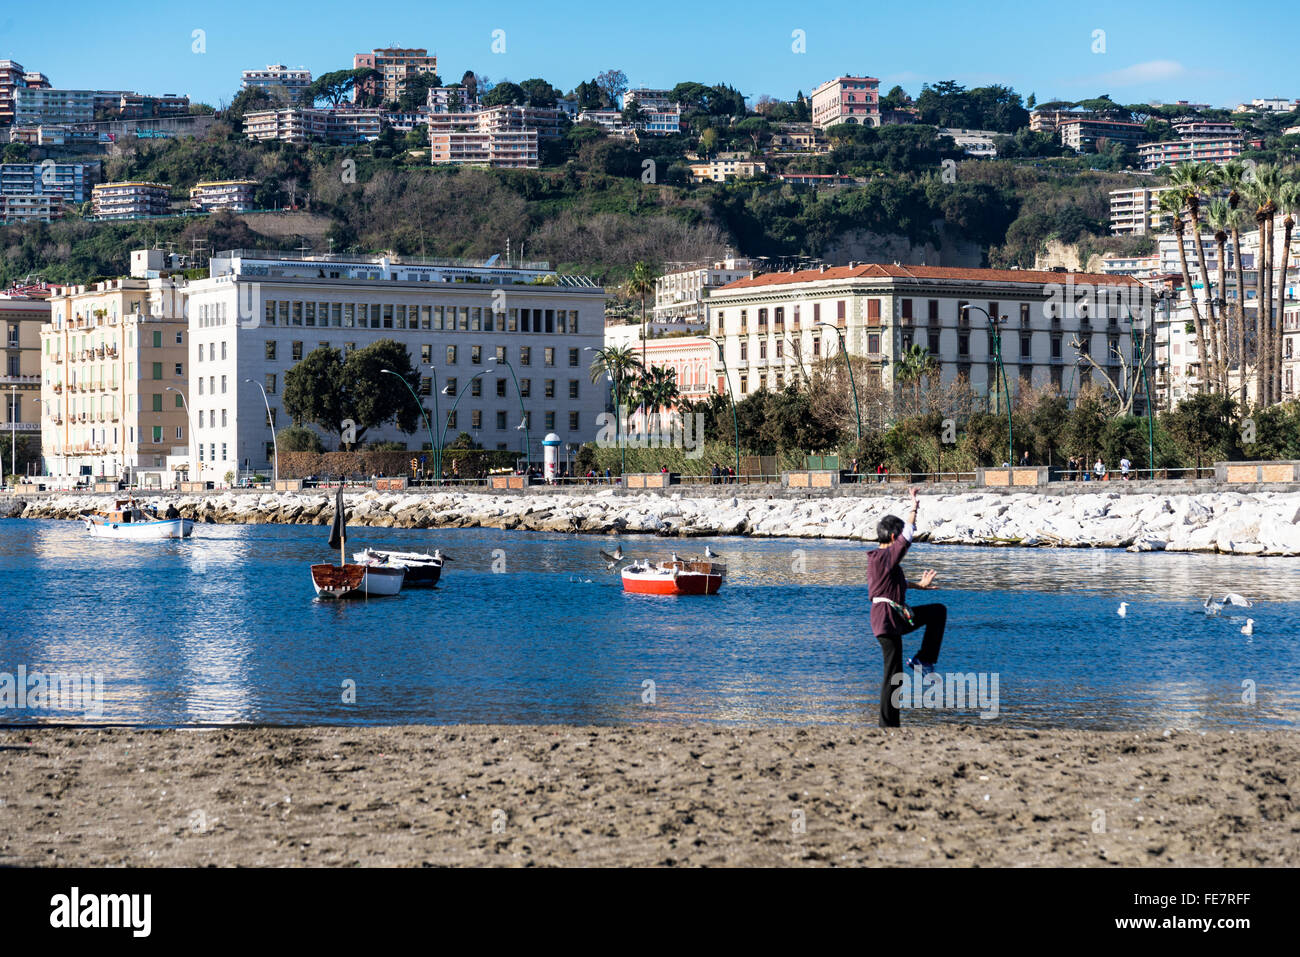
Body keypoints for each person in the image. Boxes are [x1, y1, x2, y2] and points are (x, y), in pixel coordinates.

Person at [868, 487, 946, 728]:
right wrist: (914, 507)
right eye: (898, 536)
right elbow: (908, 536)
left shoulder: (881, 561)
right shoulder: (885, 557)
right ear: (893, 538)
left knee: (937, 611)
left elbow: (893, 584)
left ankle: (923, 659)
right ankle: (887, 726)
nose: (900, 540)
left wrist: (919, 586)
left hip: (892, 617)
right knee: (892, 676)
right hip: (887, 620)